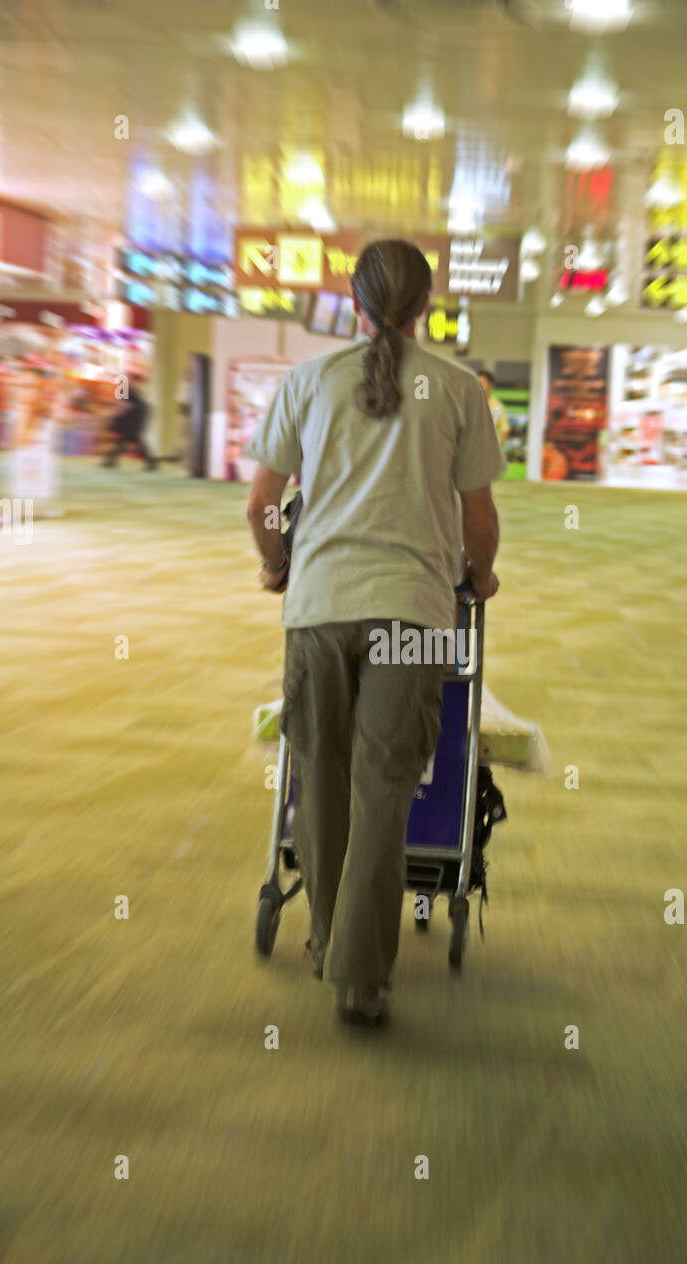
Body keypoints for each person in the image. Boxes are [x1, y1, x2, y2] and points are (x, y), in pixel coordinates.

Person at [246, 239, 503, 1028]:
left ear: (353, 303)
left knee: (316, 782)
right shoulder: (460, 390)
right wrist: (480, 577)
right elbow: (479, 522)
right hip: (417, 618)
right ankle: (362, 980)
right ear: (426, 306)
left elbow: (259, 505)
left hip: (319, 609)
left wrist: (276, 565)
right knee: (383, 790)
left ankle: (325, 941)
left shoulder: (308, 380)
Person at [101, 379, 156, 470]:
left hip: (136, 417)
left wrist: (112, 415)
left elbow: (125, 406)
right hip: (135, 417)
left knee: (130, 438)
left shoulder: (127, 391)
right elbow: (124, 406)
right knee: (125, 439)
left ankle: (151, 462)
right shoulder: (128, 391)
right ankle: (111, 460)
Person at [477, 368, 509, 447]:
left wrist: (495, 449)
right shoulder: (468, 402)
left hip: (486, 449)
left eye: (482, 383)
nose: (479, 386)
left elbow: (505, 430)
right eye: (477, 383)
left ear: (491, 385)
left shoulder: (497, 407)